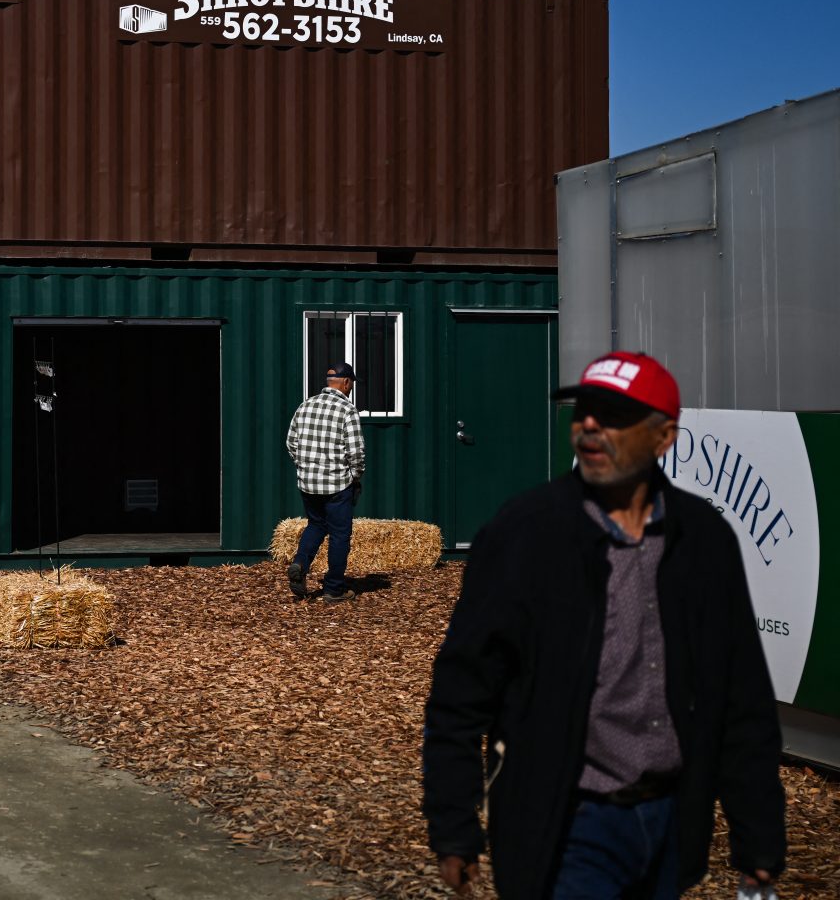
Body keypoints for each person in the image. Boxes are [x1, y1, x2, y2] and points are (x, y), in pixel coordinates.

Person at [422, 352, 786, 899]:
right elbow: (460, 690)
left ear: (663, 437)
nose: (590, 425)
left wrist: (758, 836)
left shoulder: (702, 540)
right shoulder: (526, 534)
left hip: (671, 821)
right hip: (568, 826)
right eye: (583, 410)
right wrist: (454, 824)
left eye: (613, 415)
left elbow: (742, 696)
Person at [283, 360, 365, 602]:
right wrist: (355, 476)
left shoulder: (305, 405)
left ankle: (300, 563)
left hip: (308, 483)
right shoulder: (347, 410)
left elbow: (291, 443)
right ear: (346, 382)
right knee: (340, 535)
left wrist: (305, 467)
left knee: (316, 525)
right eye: (351, 384)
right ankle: (333, 589)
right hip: (337, 484)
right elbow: (356, 452)